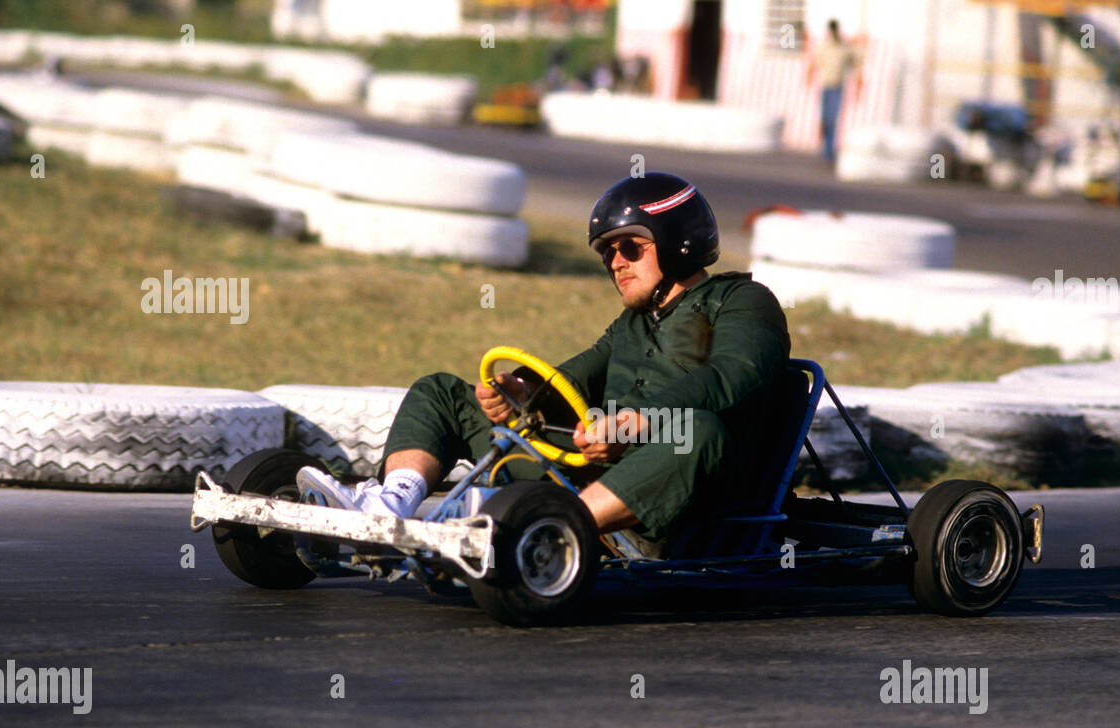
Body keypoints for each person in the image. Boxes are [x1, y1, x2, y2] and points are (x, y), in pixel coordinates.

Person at [296, 172, 791, 544]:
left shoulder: (742, 301)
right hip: (599, 479)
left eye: (629, 247)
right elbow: (576, 376)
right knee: (444, 391)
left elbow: (736, 374)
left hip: (692, 497)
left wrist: (637, 421)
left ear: (678, 243)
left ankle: (544, 527)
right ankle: (389, 506)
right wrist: (522, 393)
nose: (614, 262)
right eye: (606, 253)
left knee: (695, 430)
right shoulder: (632, 323)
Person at [807, 19, 860, 163]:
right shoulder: (824, 47)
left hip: (837, 87)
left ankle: (829, 151)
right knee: (825, 119)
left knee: (832, 119)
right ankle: (825, 147)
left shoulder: (845, 49)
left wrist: (859, 86)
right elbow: (813, 63)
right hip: (825, 87)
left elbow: (856, 64)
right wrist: (808, 79)